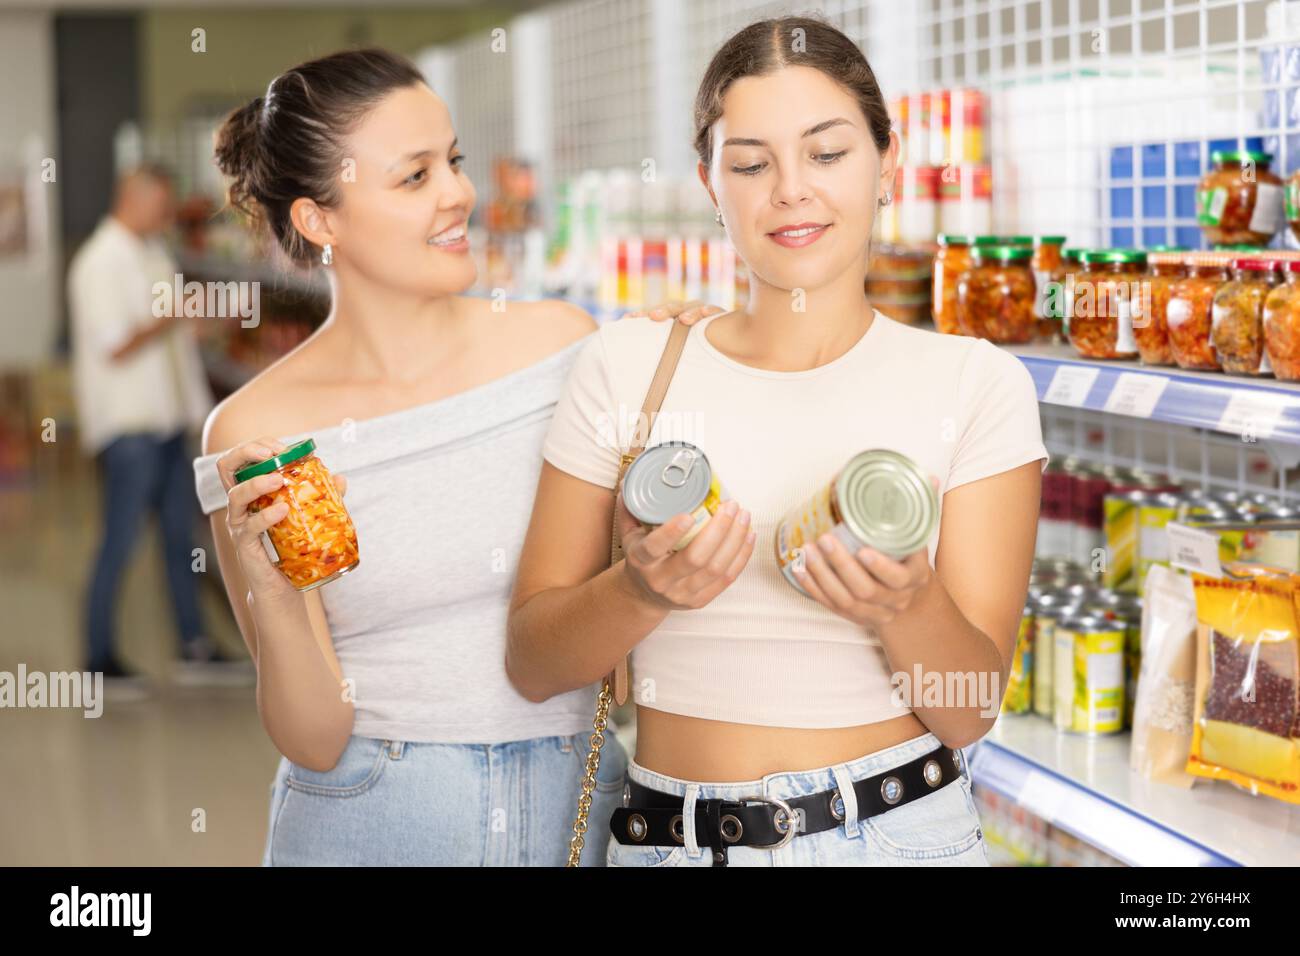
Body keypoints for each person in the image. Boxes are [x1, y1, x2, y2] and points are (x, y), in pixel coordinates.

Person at [506, 16, 1049, 867]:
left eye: (827, 154)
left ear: (888, 165)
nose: (790, 190)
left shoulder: (976, 384)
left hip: (898, 837)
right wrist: (641, 592)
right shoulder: (629, 365)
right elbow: (534, 663)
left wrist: (905, 604)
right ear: (710, 184)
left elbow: (969, 711)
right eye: (752, 164)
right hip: (670, 841)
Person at [191, 48, 715, 866]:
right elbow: (313, 735)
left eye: (455, 161)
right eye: (415, 176)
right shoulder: (258, 432)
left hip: (578, 798)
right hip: (370, 816)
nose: (460, 193)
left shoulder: (563, 349)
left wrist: (692, 375)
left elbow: (622, 662)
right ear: (318, 220)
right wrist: (273, 591)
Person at [69, 164, 237, 691]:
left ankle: (193, 645)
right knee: (120, 540)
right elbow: (116, 344)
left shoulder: (151, 253)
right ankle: (98, 659)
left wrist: (205, 320)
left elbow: (170, 330)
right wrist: (172, 316)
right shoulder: (99, 262)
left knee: (177, 538)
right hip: (130, 428)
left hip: (166, 423)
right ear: (132, 198)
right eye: (160, 204)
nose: (166, 216)